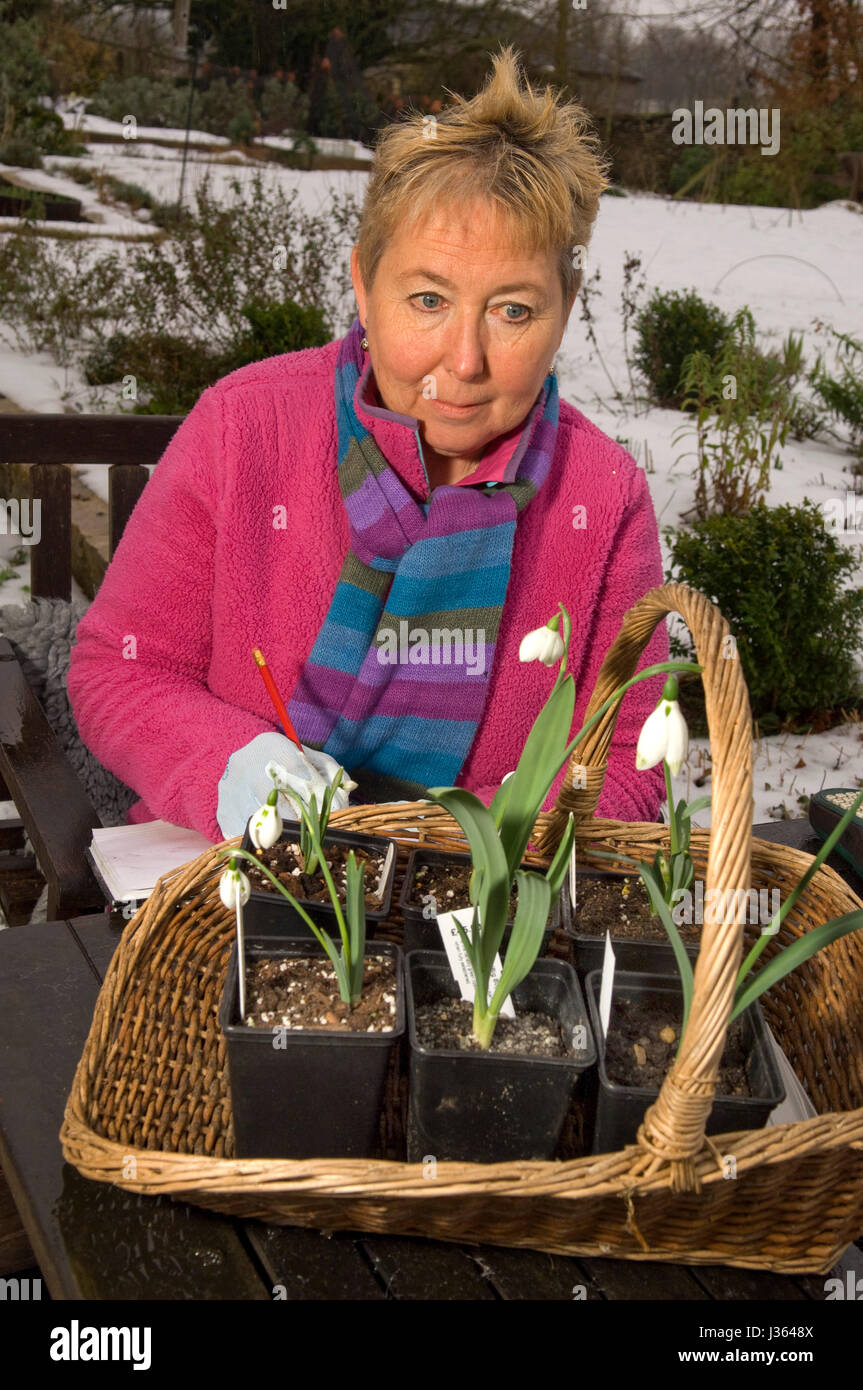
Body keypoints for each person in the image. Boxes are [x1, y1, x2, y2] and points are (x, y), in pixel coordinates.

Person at [68, 46, 669, 844]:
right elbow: (119, 668)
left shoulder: (603, 493)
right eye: (427, 298)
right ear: (362, 282)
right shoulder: (244, 426)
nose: (463, 360)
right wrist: (230, 764)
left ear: (565, 308)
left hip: (477, 912)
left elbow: (629, 758)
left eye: (513, 311)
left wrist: (454, 844)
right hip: (227, 875)